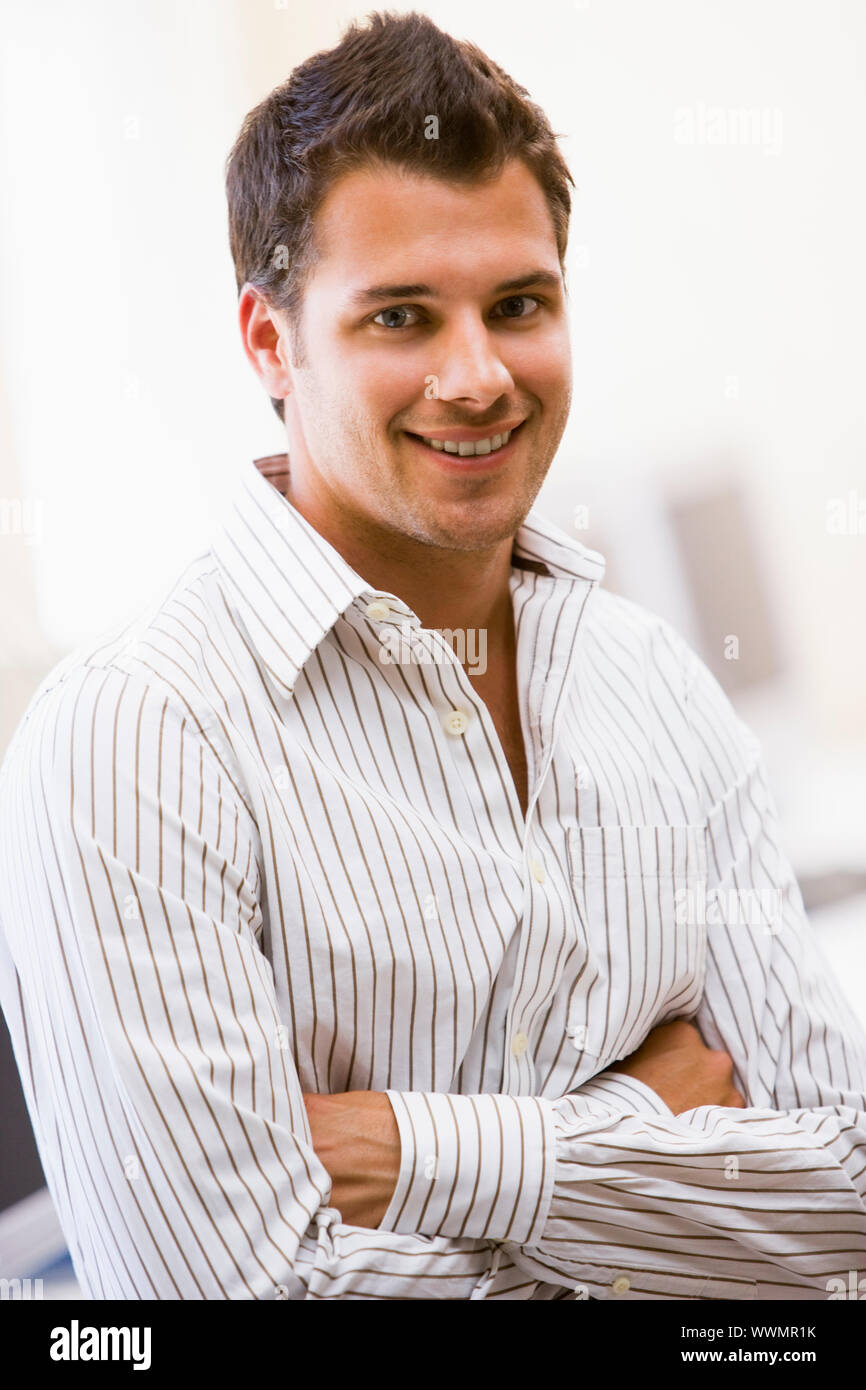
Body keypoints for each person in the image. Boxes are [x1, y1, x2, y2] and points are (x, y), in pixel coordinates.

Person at [1, 10, 864, 1301]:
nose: (476, 376)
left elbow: (837, 1210)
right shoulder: (131, 740)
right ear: (268, 343)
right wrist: (649, 1116)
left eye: (517, 303)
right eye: (400, 316)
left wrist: (415, 1149)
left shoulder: (651, 680)